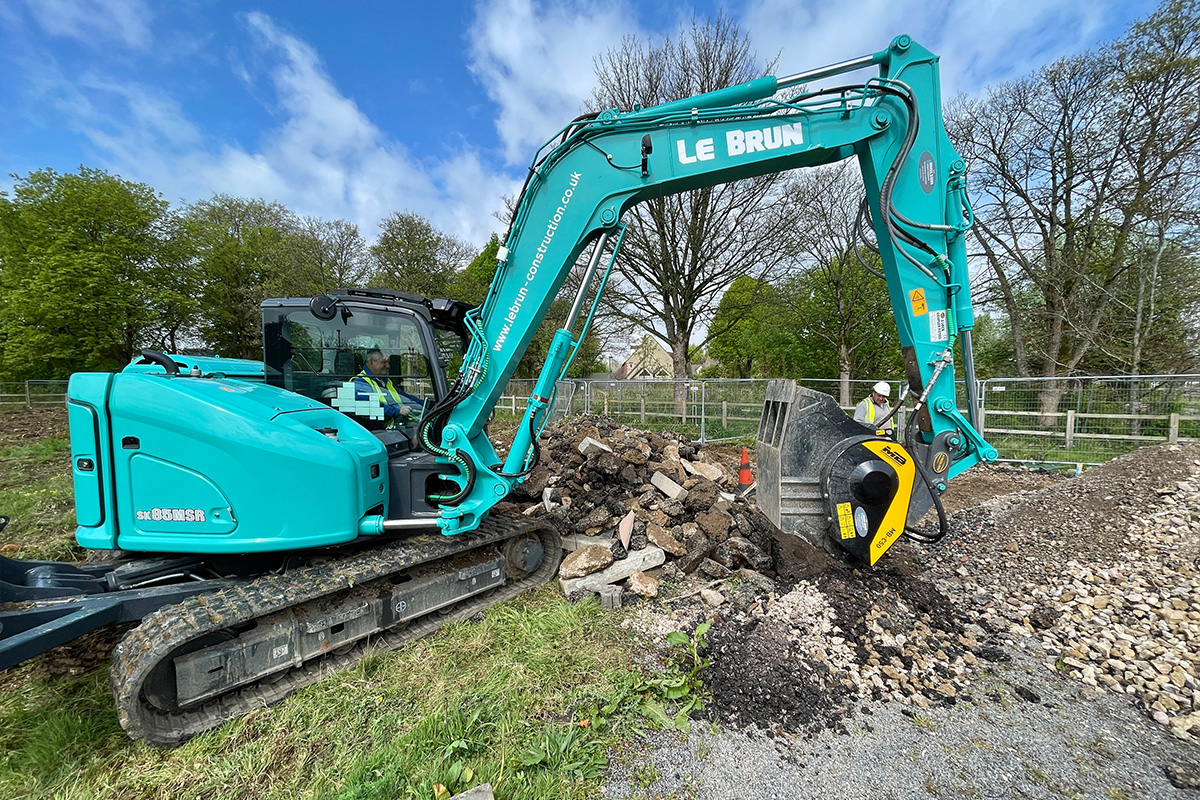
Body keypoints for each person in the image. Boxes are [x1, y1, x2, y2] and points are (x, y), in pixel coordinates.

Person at [354, 348, 425, 427]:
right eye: (384, 362)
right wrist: (397, 411)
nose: (388, 366)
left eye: (388, 362)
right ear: (371, 362)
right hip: (378, 428)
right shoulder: (360, 383)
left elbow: (405, 397)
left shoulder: (385, 382)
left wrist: (424, 404)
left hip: (396, 424)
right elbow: (371, 405)